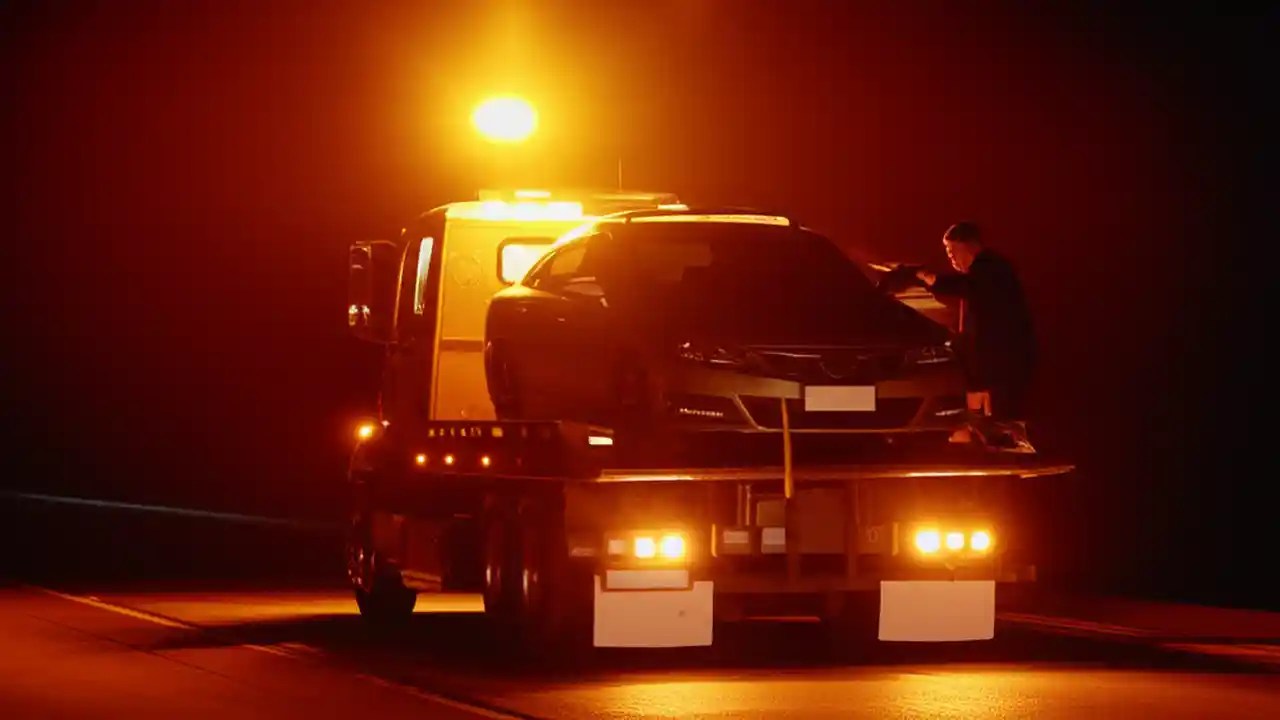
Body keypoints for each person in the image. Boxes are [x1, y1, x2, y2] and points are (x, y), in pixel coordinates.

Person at [915, 221, 1037, 450]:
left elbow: (969, 287)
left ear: (966, 245)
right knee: (980, 383)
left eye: (951, 251)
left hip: (1005, 352)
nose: (950, 257)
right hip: (997, 352)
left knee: (996, 395)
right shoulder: (984, 271)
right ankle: (983, 433)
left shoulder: (989, 268)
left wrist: (933, 280)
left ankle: (1003, 440)